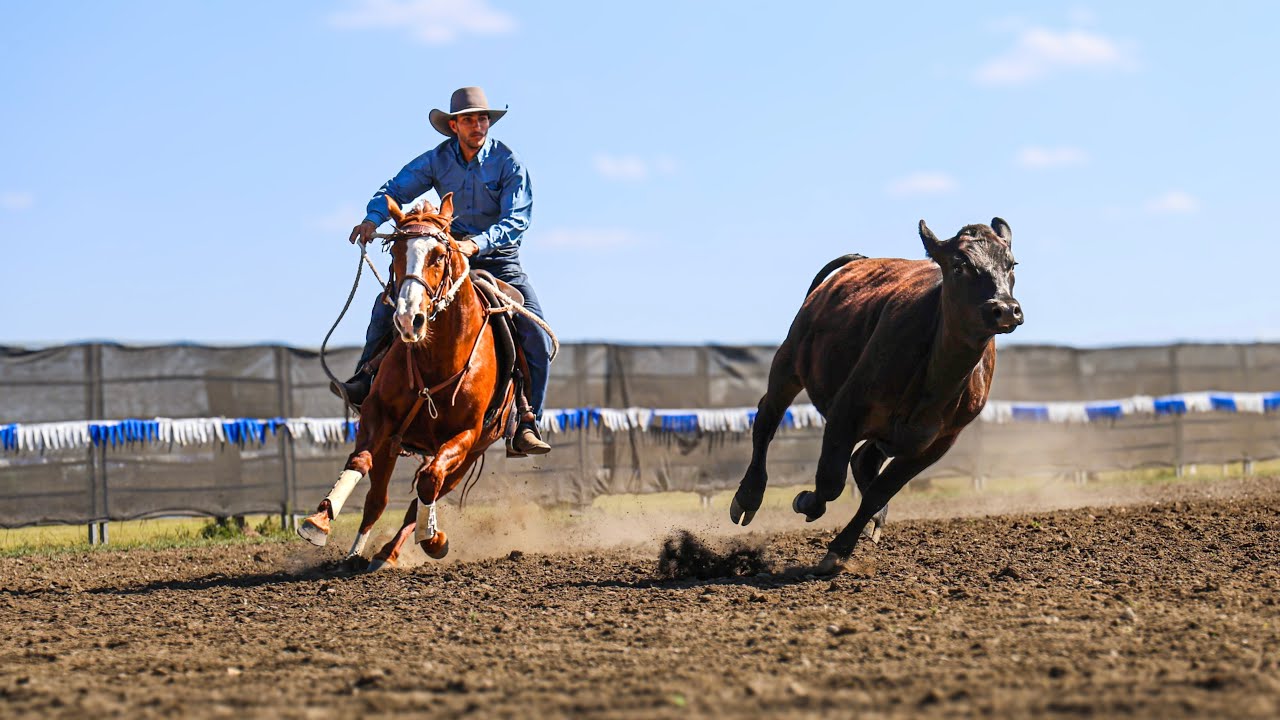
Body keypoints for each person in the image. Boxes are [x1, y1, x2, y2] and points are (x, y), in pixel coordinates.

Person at [333, 86, 552, 456]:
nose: (478, 125)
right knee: (388, 303)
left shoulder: (508, 162)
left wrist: (476, 244)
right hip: (444, 258)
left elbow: (517, 218)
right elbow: (394, 189)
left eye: (483, 118)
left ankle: (526, 420)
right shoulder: (437, 160)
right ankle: (366, 380)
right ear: (454, 126)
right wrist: (373, 219)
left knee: (535, 333)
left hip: (499, 259)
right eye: (469, 119)